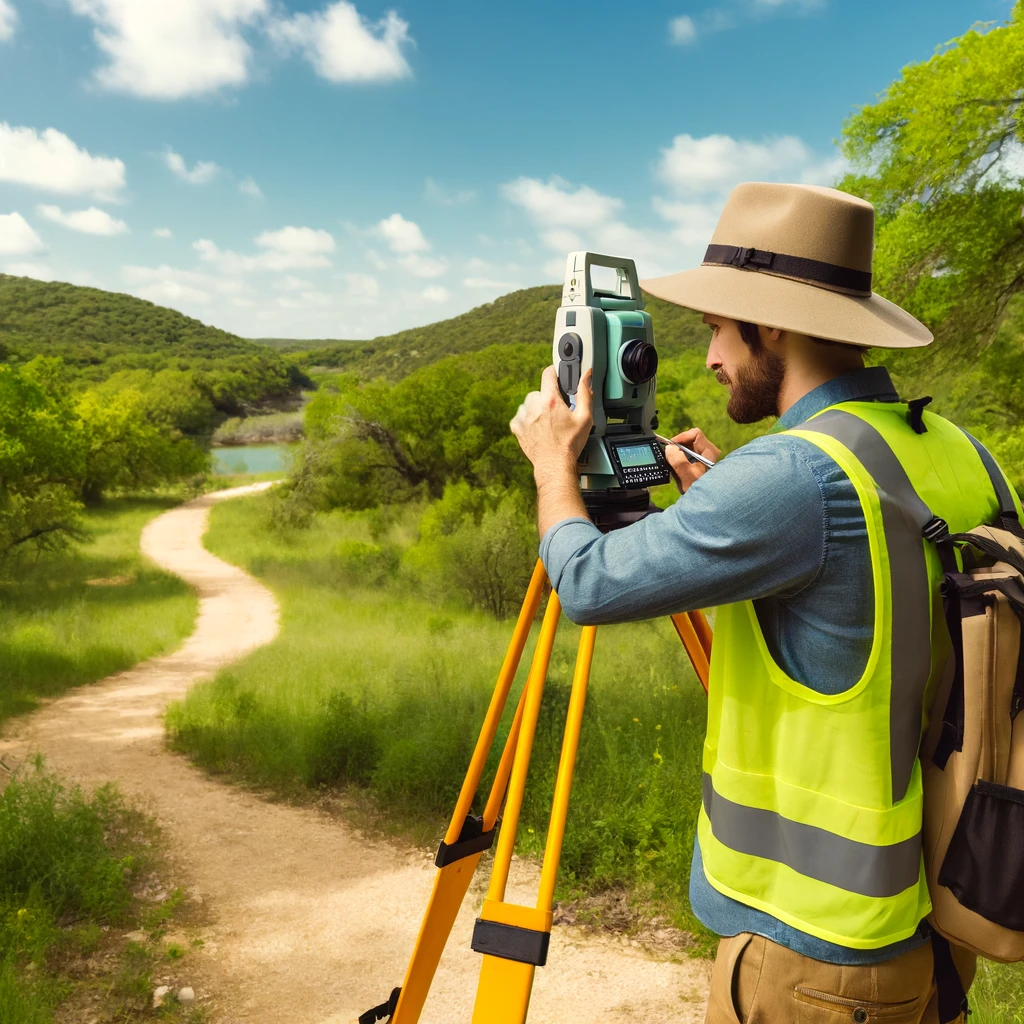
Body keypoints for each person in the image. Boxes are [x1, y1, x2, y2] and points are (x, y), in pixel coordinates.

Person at [509, 182, 1022, 1024]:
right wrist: (727, 495)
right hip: (935, 924)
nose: (709, 355)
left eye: (718, 327)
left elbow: (590, 584)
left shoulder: (790, 477)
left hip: (816, 952)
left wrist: (552, 467)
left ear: (773, 323)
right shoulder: (964, 453)